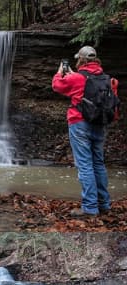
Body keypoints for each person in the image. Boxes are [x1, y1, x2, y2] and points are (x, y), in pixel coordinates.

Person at [52, 45, 119, 217]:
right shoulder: (107, 79)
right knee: (98, 164)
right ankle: (104, 204)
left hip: (79, 124)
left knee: (85, 166)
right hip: (100, 125)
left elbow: (57, 86)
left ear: (80, 60)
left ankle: (89, 207)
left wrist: (60, 72)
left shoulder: (77, 78)